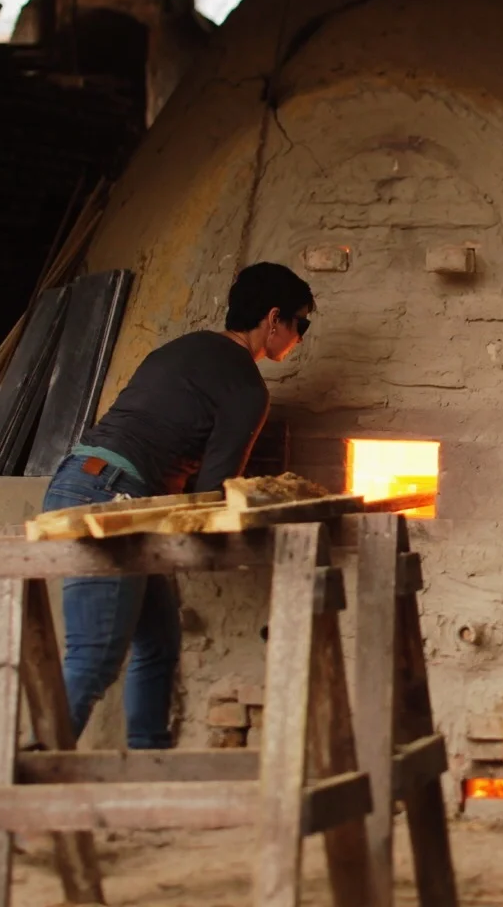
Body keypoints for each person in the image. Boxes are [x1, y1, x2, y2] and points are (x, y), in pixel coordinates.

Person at [42, 262, 314, 746]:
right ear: (274, 319)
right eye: (301, 324)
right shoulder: (246, 387)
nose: (300, 337)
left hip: (83, 479)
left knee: (158, 645)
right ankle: (26, 772)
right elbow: (213, 490)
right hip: (114, 499)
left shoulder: (183, 347)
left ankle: (150, 761)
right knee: (95, 654)